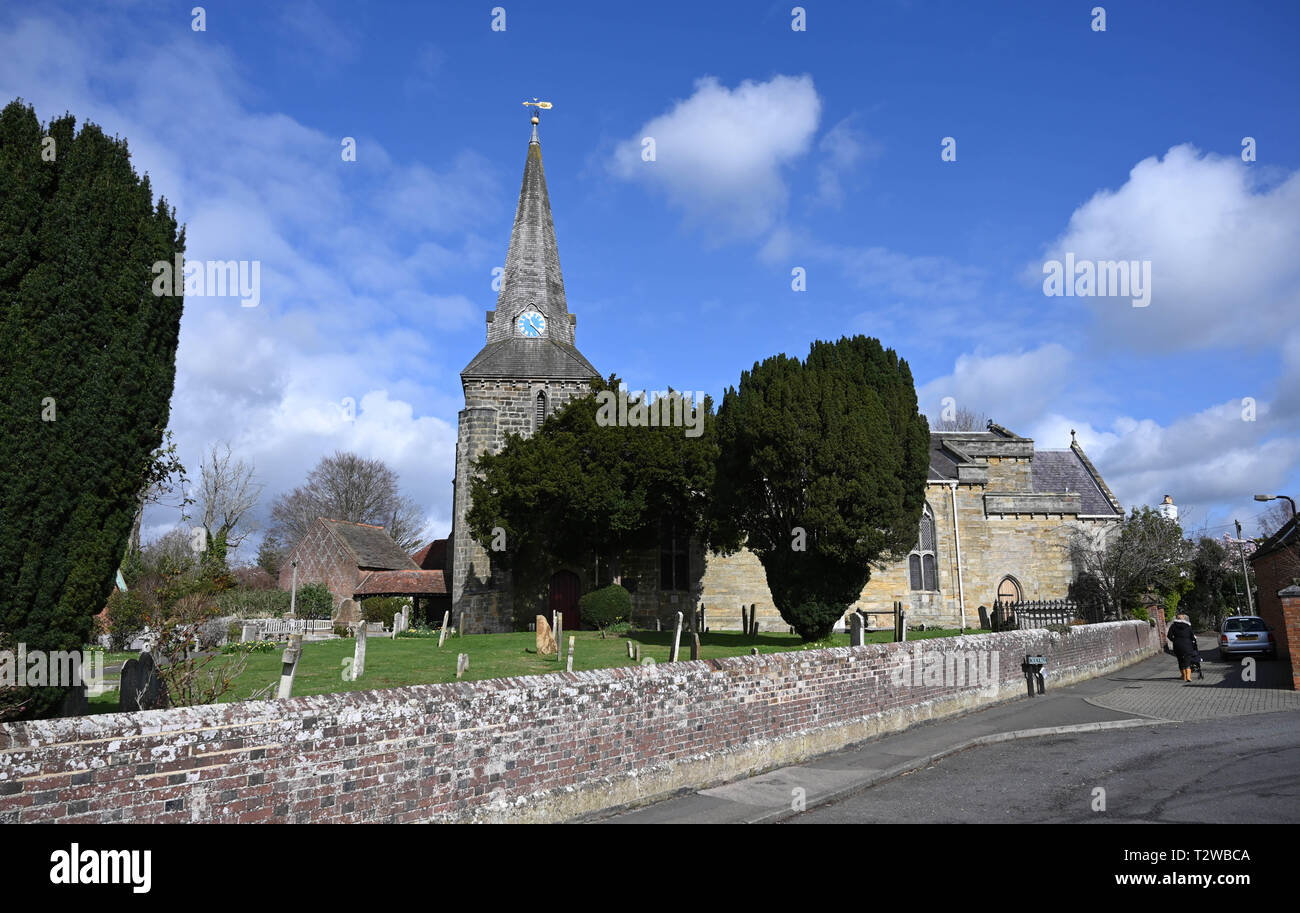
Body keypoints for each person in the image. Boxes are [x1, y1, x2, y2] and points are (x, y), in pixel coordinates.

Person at [1166, 612, 1198, 683]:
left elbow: (1169, 635)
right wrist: (1193, 642)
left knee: (1180, 660)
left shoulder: (1173, 626)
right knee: (1187, 660)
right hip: (1187, 645)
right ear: (1183, 618)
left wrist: (1174, 640)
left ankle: (1183, 676)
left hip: (1177, 645)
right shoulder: (1188, 626)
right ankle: (1188, 677)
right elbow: (1192, 637)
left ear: (1176, 618)